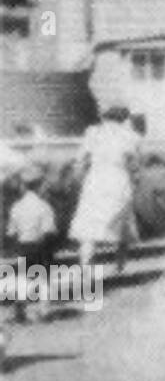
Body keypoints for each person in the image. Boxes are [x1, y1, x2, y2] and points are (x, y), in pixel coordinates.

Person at [68, 107, 141, 272]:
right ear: (123, 119)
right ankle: (120, 265)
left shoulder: (93, 133)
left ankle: (86, 267)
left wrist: (80, 179)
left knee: (89, 227)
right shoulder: (130, 136)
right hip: (118, 180)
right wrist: (135, 181)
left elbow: (81, 159)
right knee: (122, 225)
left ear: (105, 118)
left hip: (95, 180)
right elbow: (134, 164)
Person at [5, 165, 57, 322]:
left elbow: (11, 232)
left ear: (23, 186)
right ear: (40, 186)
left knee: (22, 279)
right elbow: (49, 230)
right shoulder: (44, 206)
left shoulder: (16, 207)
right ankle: (45, 311)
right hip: (39, 246)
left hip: (23, 246)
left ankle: (20, 312)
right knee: (43, 280)